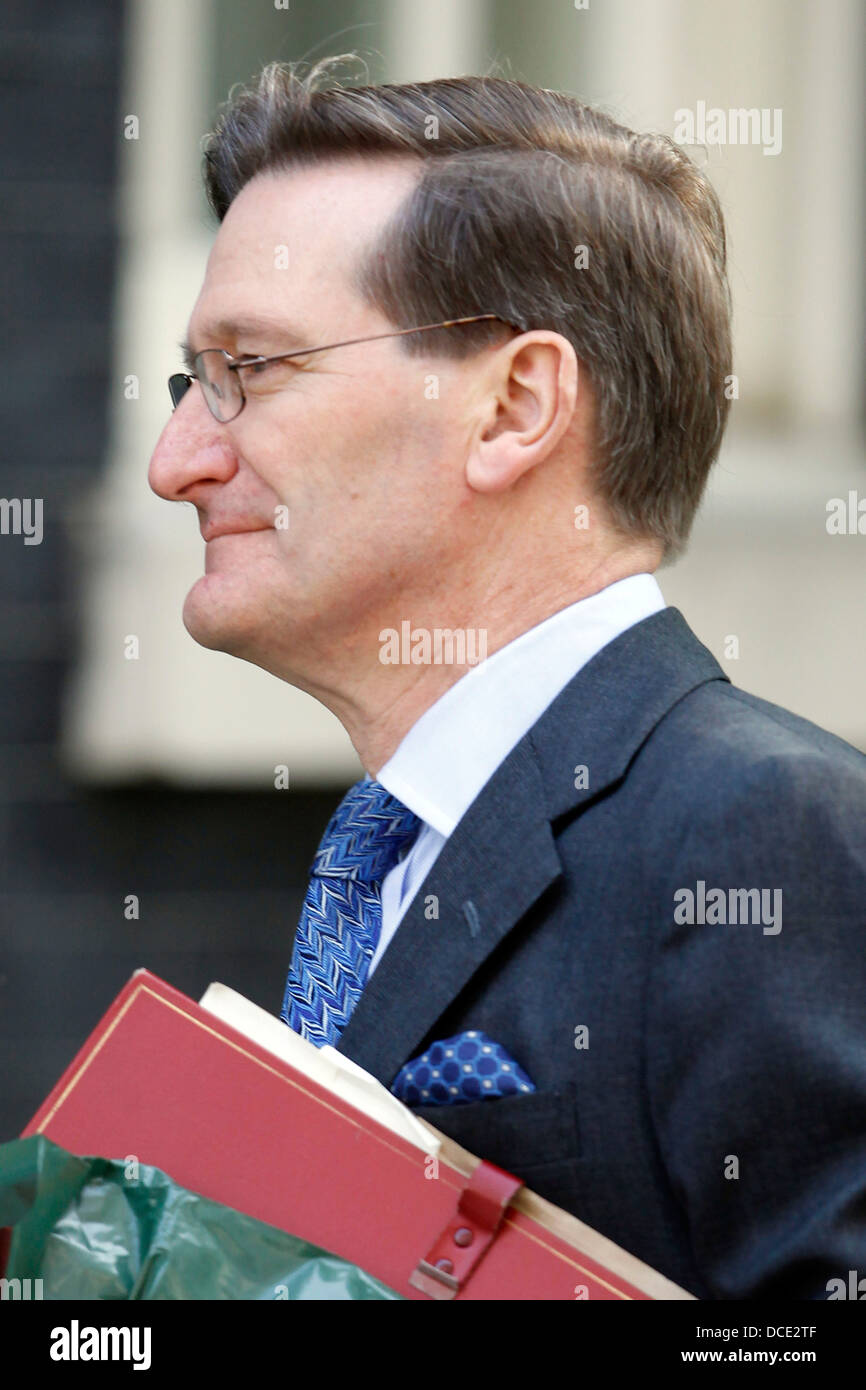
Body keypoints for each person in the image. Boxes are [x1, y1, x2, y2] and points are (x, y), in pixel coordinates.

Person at [148, 59, 866, 1300]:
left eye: (249, 370)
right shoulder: (391, 848)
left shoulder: (770, 830)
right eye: (192, 380)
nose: (177, 461)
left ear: (512, 407)